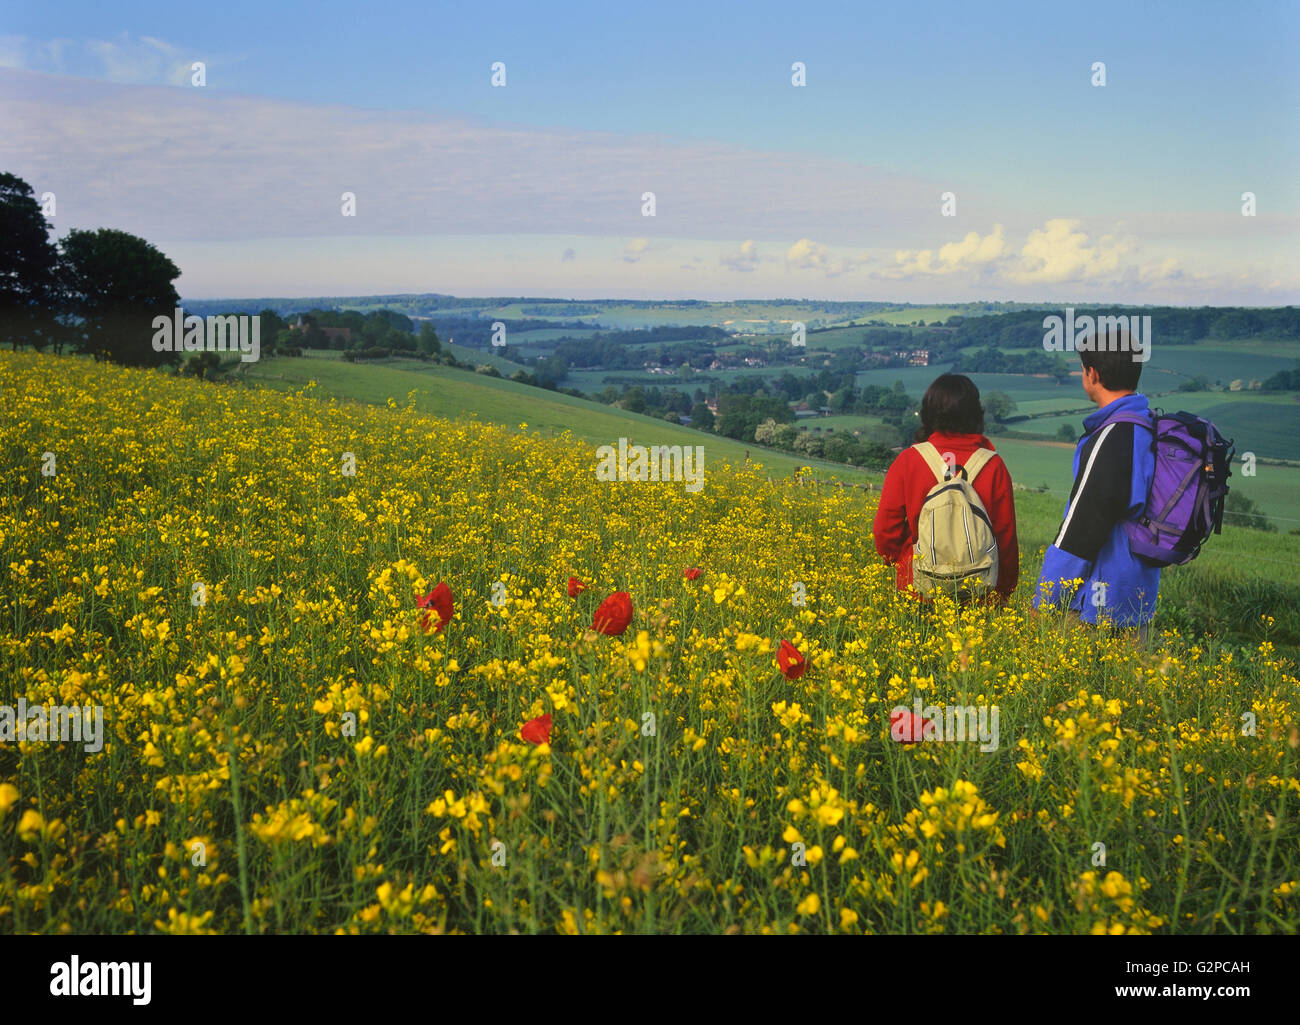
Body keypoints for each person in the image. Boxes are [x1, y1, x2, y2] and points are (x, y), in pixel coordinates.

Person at [1033, 329, 1158, 641]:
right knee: (1129, 687)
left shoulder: (1113, 435)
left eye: (1082, 368)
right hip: (1136, 595)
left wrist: (1045, 600)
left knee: (1078, 685)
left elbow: (1082, 527)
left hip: (1097, 605)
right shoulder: (1148, 427)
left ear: (1093, 374)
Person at [873, 373, 1019, 605]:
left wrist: (900, 564)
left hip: (918, 590)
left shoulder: (908, 460)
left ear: (928, 413)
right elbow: (1005, 537)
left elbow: (885, 530)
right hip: (979, 593)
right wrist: (1002, 591)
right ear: (975, 413)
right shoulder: (994, 466)